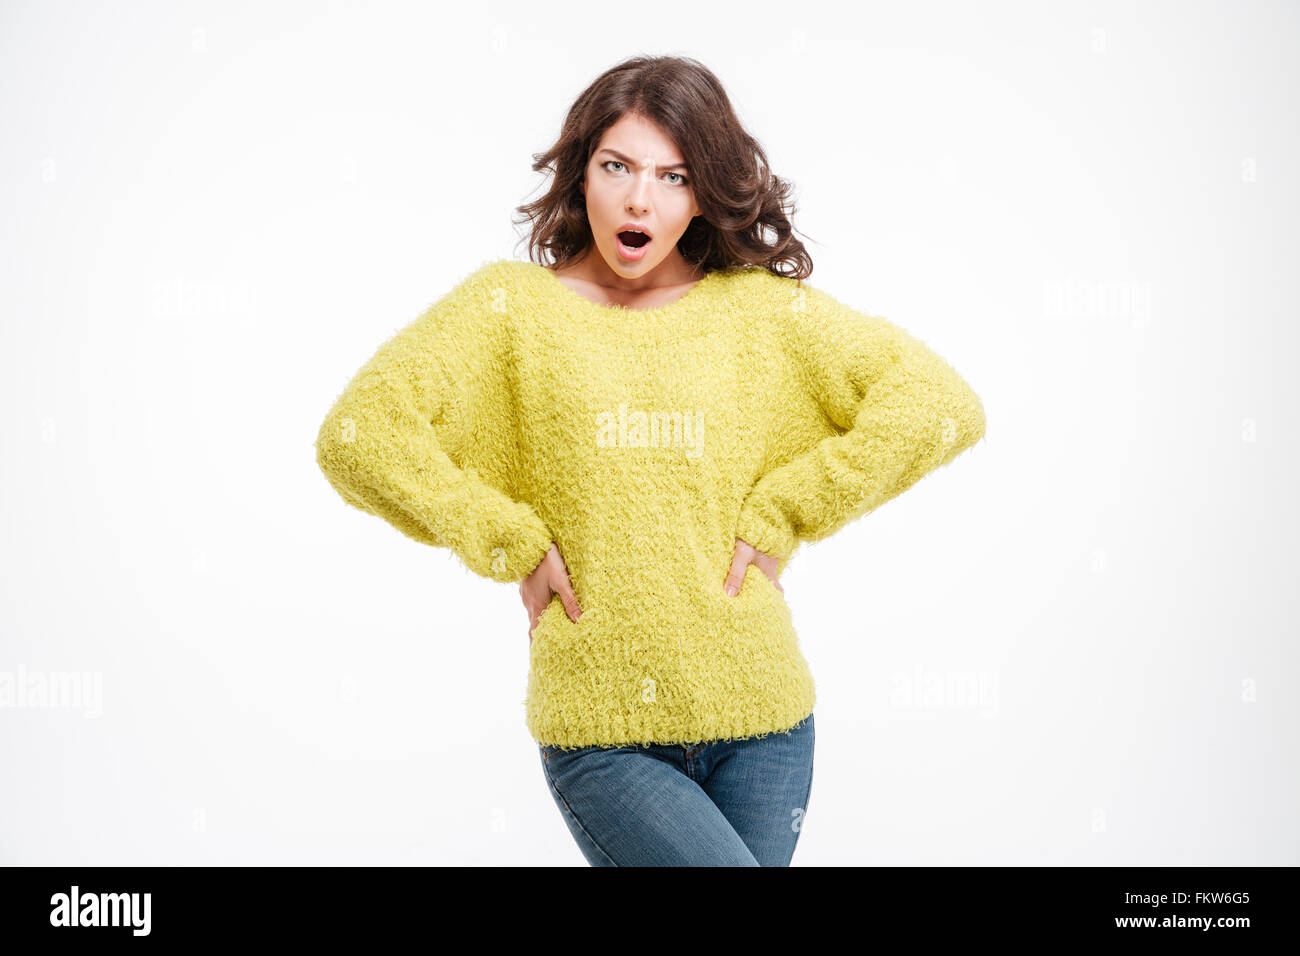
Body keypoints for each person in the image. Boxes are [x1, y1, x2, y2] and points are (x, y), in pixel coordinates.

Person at [315, 55, 987, 866]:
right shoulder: (510, 311)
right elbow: (360, 434)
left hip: (764, 724)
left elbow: (939, 403)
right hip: (605, 736)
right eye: (617, 167)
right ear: (582, 175)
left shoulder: (758, 312)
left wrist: (787, 511)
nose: (640, 198)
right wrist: (506, 539)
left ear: (703, 192)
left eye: (673, 177)